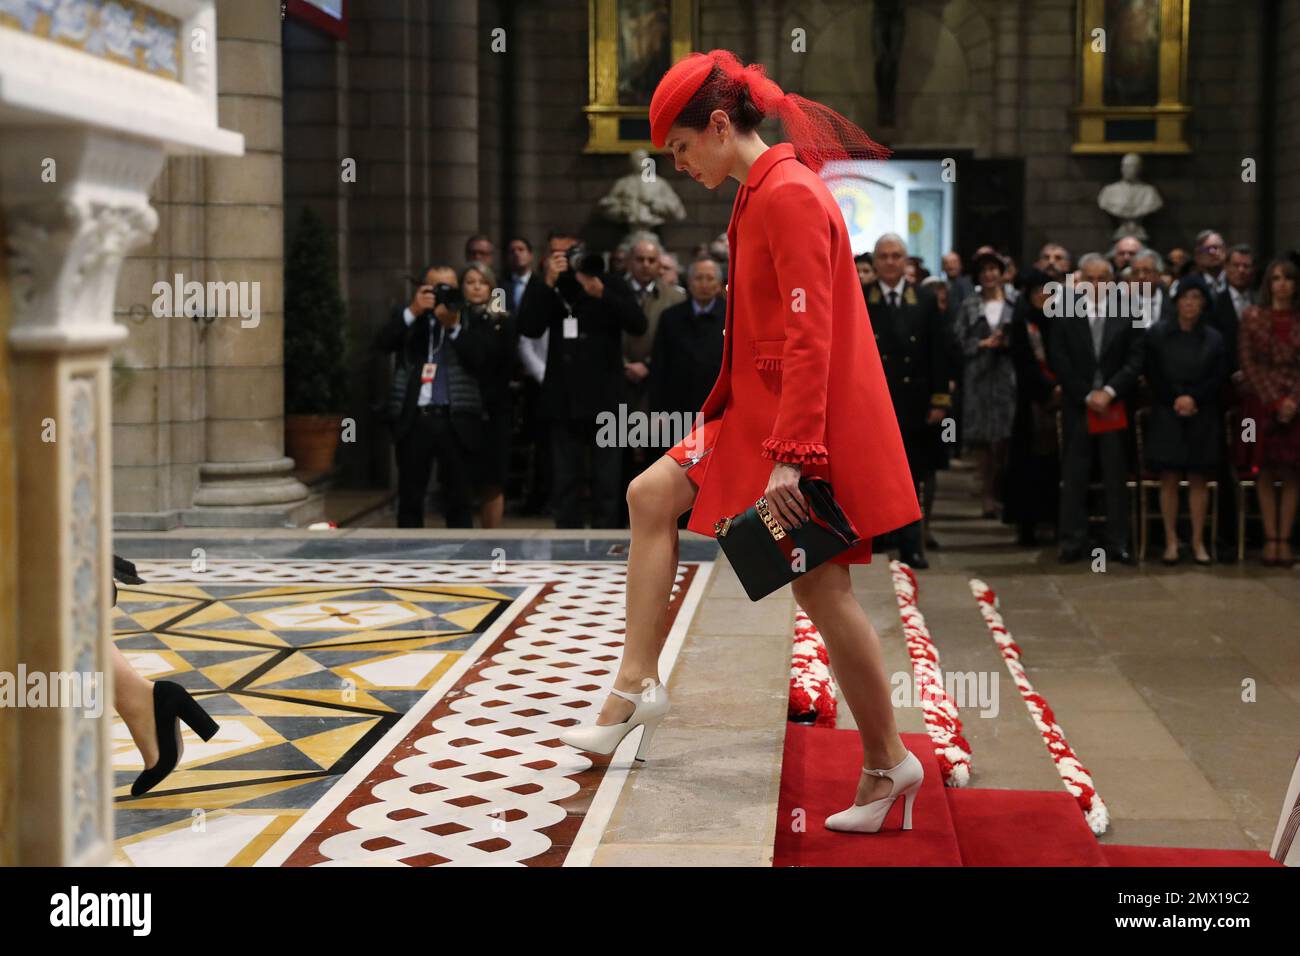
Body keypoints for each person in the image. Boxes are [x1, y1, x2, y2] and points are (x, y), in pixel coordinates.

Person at [559, 49, 924, 835]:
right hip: (759, 421)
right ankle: (635, 686)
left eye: (682, 148)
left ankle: (890, 760)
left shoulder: (787, 194)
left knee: (824, 595)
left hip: (794, 429)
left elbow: (808, 334)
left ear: (719, 125)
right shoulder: (764, 188)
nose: (680, 166)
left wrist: (794, 454)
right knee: (649, 493)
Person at [515, 230, 647, 528]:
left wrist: (603, 294)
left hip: (606, 398)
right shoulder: (548, 287)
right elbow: (529, 327)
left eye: (570, 252)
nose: (566, 260)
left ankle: (607, 540)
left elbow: (638, 324)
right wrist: (547, 282)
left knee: (607, 482)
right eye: (557, 254)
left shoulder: (608, 281)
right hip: (564, 398)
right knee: (565, 480)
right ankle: (567, 540)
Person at [374, 266, 490, 528]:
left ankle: (464, 564)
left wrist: (454, 327)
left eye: (449, 288)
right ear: (422, 289)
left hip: (455, 419)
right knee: (411, 498)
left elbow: (481, 359)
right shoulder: (410, 318)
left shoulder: (471, 317)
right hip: (416, 419)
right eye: (437, 288)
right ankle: (409, 560)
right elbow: (382, 343)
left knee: (459, 499)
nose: (442, 294)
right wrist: (414, 311)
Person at [1050, 253, 1146, 564]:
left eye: (1101, 279)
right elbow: (1059, 359)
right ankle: (1072, 541)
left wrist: (1109, 390)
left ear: (1112, 281)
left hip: (1113, 405)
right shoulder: (1065, 311)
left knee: (1115, 475)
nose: (1095, 285)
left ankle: (1116, 542)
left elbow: (1136, 358)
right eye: (1088, 279)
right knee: (1075, 475)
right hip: (1079, 404)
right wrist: (1086, 394)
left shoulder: (1128, 309)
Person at [869, 232, 952, 567]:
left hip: (914, 402)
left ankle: (911, 544)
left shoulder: (926, 300)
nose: (891, 262)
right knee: (873, 476)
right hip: (875, 403)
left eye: (897, 256)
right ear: (875, 263)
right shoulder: (861, 297)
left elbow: (938, 353)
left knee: (912, 476)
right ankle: (873, 541)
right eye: (884, 256)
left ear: (906, 262)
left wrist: (939, 400)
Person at [1142, 274, 1227, 564]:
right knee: (1169, 477)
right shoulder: (1157, 334)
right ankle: (1170, 541)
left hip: (1202, 412)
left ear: (1203, 304)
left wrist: (1194, 399)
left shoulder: (1214, 339)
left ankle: (1198, 541)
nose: (1190, 304)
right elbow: (1153, 373)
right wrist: (1175, 398)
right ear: (1176, 302)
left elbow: (1218, 376)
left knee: (1198, 478)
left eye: (1196, 299)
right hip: (1168, 410)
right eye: (1185, 298)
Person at [1237, 257, 1300, 566]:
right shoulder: (1252, 316)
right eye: (1276, 279)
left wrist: (1293, 400)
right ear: (1268, 284)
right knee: (1263, 469)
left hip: (1297, 402)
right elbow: (1249, 363)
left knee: (1291, 472)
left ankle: (1284, 540)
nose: (1282, 284)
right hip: (1260, 403)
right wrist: (1275, 401)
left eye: (1288, 278)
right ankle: (1269, 537)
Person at [956, 250, 1017, 518]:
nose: (989, 275)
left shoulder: (1015, 302)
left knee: (1004, 436)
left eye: (994, 269)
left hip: (1007, 374)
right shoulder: (970, 304)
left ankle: (1003, 492)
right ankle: (987, 494)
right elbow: (957, 340)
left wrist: (1007, 342)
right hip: (978, 374)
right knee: (982, 438)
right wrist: (981, 344)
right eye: (984, 271)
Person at [1005, 268, 1062, 545]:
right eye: (1038, 291)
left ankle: (1053, 521)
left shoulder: (1060, 321)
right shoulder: (1022, 323)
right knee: (1028, 467)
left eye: (1047, 291)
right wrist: (1047, 389)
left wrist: (1061, 387)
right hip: (1031, 403)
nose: (1043, 296)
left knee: (1053, 465)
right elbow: (1023, 363)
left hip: (1060, 401)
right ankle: (1027, 525)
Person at [459, 262, 519, 528]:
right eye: (470, 281)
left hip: (494, 407)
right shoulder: (455, 318)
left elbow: (505, 363)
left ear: (492, 288)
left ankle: (491, 536)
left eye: (482, 282)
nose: (476, 287)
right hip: (461, 405)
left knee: (493, 478)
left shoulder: (503, 321)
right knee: (462, 476)